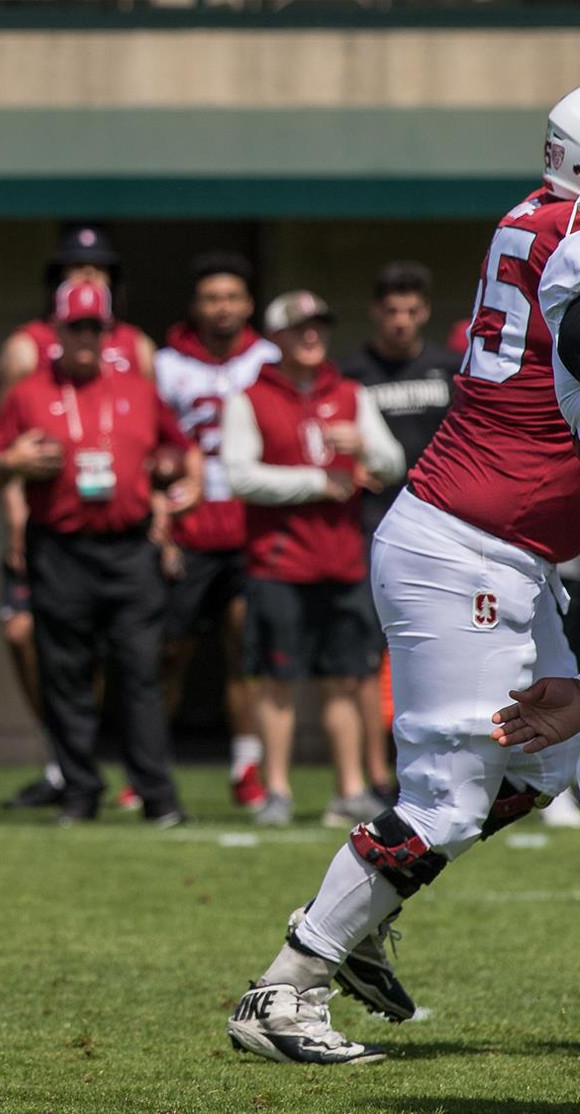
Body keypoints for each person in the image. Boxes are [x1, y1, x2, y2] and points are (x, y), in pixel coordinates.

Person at [229, 89, 580, 1064]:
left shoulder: (537, 218)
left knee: (545, 763)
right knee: (444, 800)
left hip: (495, 546)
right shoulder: (573, 240)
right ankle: (285, 988)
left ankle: (365, 902)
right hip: (466, 549)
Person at [0, 279, 198, 826]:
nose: (84, 338)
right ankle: (79, 792)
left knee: (139, 673)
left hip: (129, 548)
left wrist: (179, 479)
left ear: (108, 333)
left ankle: (157, 795)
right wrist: (14, 463)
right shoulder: (29, 391)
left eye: (94, 328)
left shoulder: (138, 389)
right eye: (74, 327)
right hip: (60, 548)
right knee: (66, 673)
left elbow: (180, 447)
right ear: (56, 331)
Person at [223, 292, 405, 829]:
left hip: (342, 559)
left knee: (347, 680)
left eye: (319, 326)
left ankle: (349, 790)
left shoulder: (349, 393)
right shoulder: (249, 398)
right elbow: (240, 476)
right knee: (277, 682)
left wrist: (363, 447)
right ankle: (276, 790)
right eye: (299, 327)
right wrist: (317, 483)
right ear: (275, 338)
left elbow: (392, 461)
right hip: (278, 563)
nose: (312, 335)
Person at [0, 227, 152, 808]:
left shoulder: (135, 346)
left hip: (120, 528)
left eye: (98, 267)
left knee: (129, 657)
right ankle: (63, 763)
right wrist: (15, 519)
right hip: (53, 528)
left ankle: (125, 774)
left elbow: (148, 440)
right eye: (74, 267)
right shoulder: (28, 346)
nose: (87, 276)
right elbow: (13, 444)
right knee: (39, 643)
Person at [154, 252, 280, 812]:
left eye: (232, 297)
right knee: (169, 651)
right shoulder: (164, 364)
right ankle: (149, 764)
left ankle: (245, 766)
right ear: (195, 306)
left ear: (248, 304)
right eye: (211, 298)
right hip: (188, 525)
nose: (222, 308)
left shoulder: (270, 360)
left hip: (252, 521)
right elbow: (146, 439)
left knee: (243, 649)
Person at [337, 261, 457, 806]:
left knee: (445, 650)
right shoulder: (351, 374)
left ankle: (448, 768)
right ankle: (374, 775)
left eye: (412, 311)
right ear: (375, 313)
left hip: (443, 529)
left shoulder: (450, 370)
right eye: (392, 311)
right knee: (368, 655)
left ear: (425, 312)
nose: (401, 321)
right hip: (372, 529)